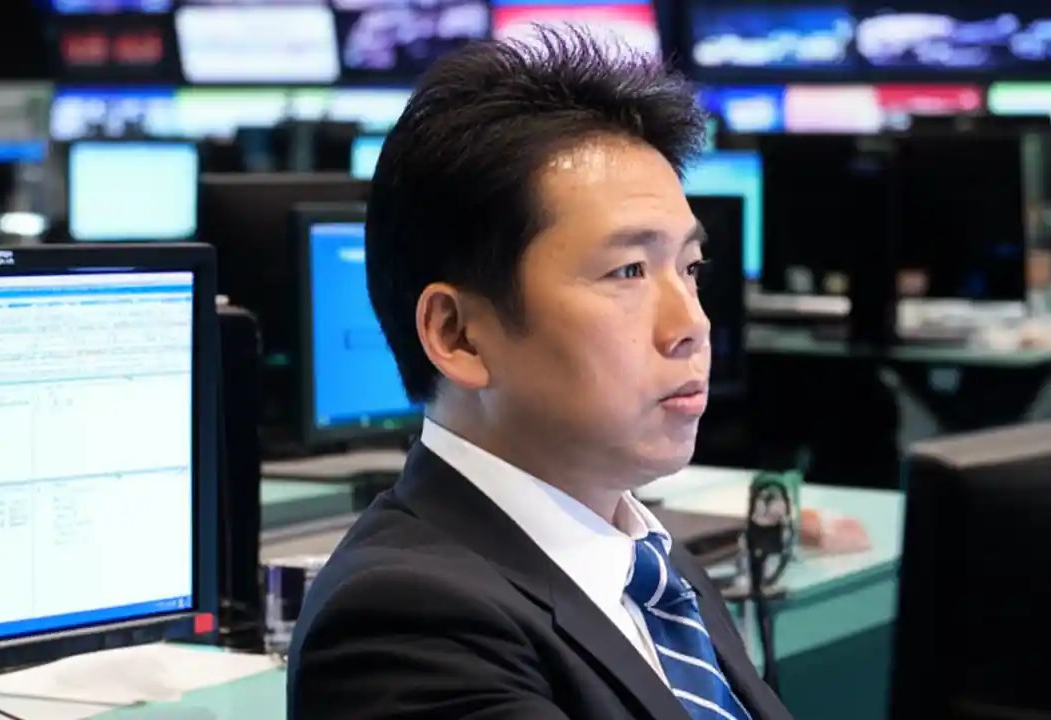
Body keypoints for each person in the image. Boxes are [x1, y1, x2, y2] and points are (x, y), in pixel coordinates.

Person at [287, 27, 792, 720]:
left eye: (691, 269)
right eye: (628, 272)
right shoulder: (407, 621)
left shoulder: (648, 565)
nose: (692, 324)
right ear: (456, 334)